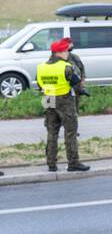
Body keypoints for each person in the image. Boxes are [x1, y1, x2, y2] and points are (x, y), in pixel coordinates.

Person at [36, 38, 89, 173]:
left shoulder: (41, 67)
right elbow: (77, 85)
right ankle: (73, 162)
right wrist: (82, 91)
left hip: (48, 99)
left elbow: (40, 85)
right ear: (57, 53)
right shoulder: (66, 67)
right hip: (64, 100)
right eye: (65, 50)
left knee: (51, 132)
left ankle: (51, 164)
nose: (67, 53)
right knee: (70, 132)